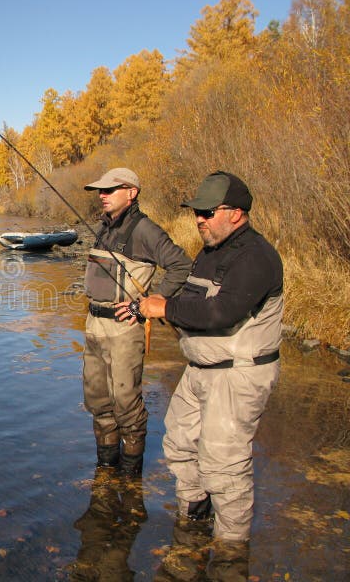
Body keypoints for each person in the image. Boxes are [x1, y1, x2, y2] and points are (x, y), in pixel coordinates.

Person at [134, 170, 283, 547]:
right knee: (179, 443)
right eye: (195, 212)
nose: (198, 219)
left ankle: (232, 552)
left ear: (236, 213)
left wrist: (165, 306)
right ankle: (193, 524)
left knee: (225, 466)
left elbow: (221, 314)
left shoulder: (257, 258)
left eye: (207, 212)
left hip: (237, 377)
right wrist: (166, 311)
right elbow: (194, 306)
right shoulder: (208, 253)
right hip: (201, 368)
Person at [81, 167, 191, 476]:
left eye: (109, 190)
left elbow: (181, 265)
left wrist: (146, 305)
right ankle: (105, 471)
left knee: (126, 405)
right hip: (94, 328)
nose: (102, 195)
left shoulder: (144, 230)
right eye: (100, 191)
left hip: (124, 331)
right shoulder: (104, 227)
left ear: (132, 193)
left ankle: (131, 478)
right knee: (98, 404)